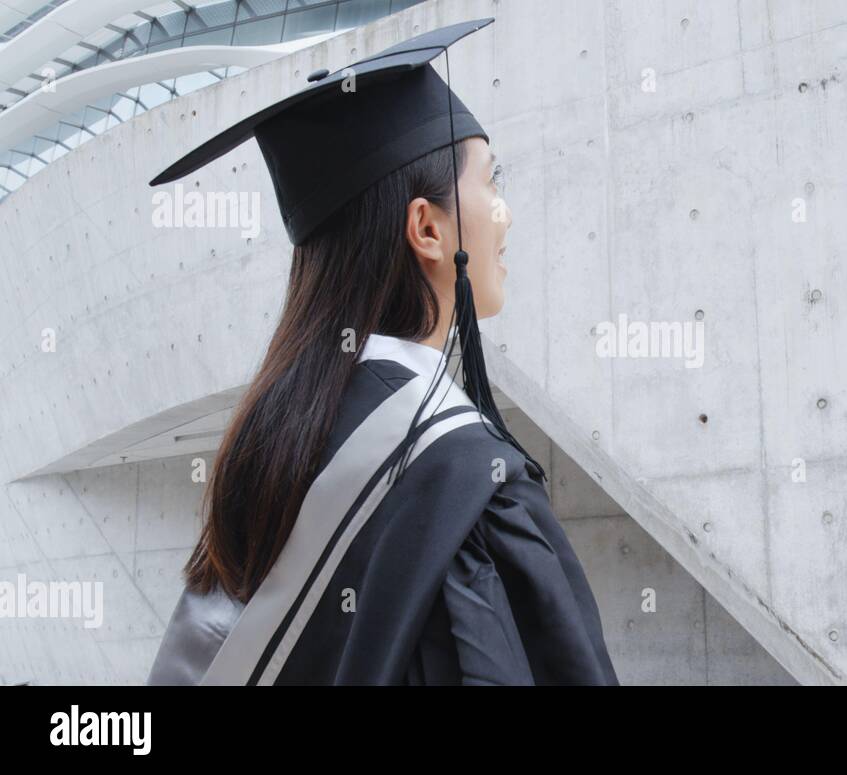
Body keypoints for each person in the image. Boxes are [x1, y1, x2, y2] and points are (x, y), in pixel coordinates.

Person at [145, 18, 619, 686]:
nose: (504, 212)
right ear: (427, 228)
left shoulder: (268, 446)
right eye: (492, 180)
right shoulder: (465, 482)